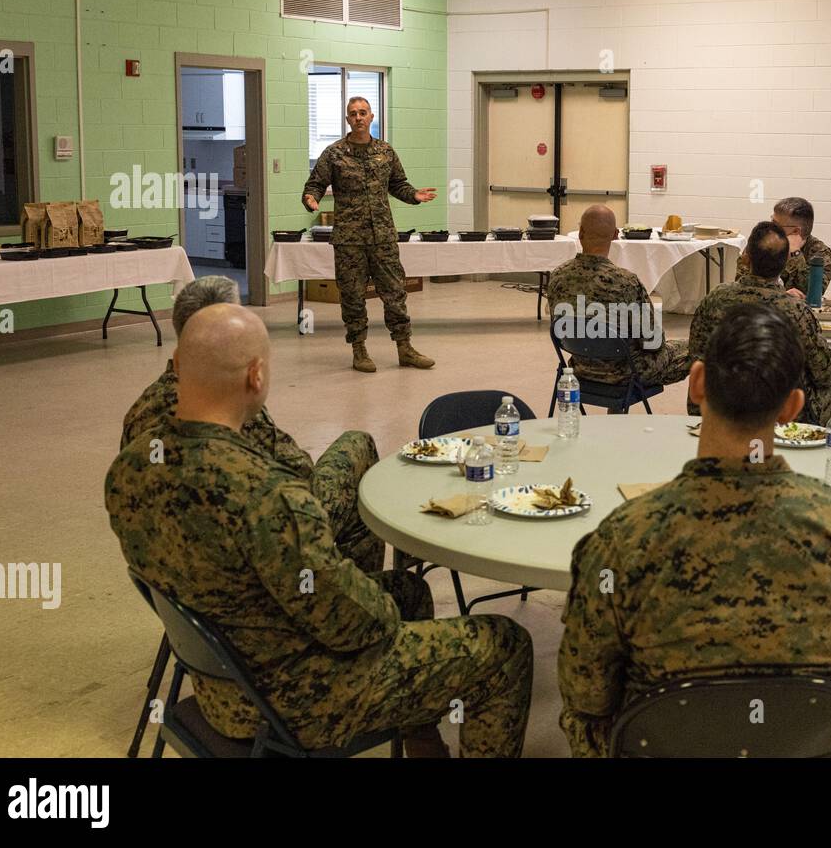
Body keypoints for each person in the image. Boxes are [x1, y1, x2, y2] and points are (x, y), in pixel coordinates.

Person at [106, 304, 533, 756]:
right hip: (294, 698)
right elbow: (356, 623)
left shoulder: (128, 470)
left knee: (410, 591)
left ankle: (418, 732)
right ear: (257, 377)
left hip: (220, 682)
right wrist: (377, 608)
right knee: (505, 647)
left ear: (176, 367)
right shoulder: (270, 495)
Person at [558, 303, 831, 756]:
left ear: (697, 383)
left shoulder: (623, 539)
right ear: (793, 409)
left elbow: (586, 693)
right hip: (805, 743)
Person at [121, 276, 383, 573]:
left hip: (176, 560)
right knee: (357, 445)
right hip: (258, 537)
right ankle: (361, 583)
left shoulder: (141, 410)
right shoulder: (230, 401)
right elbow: (296, 475)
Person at [303, 95, 436, 373]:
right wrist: (310, 198)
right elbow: (315, 183)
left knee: (395, 292)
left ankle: (405, 348)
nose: (359, 117)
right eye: (353, 114)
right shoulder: (335, 153)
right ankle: (359, 349)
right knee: (352, 295)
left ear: (372, 117)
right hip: (350, 240)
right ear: (348, 119)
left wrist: (413, 195)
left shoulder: (385, 152)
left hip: (383, 237)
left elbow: (398, 183)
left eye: (363, 112)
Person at [689, 222, 831, 422]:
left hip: (716, 404)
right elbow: (824, 373)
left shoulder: (715, 298)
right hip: (779, 411)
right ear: (786, 261)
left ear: (746, 258)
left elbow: (696, 353)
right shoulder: (796, 311)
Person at [546, 204, 690, 390]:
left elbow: (561, 328)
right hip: (628, 373)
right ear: (615, 235)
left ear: (580, 233)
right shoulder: (626, 282)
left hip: (578, 369)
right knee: (698, 345)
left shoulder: (558, 277)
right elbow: (652, 341)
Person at [735, 196, 831, 298]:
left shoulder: (819, 253)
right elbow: (742, 283)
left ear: (795, 232)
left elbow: (815, 294)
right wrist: (781, 296)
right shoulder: (763, 243)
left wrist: (796, 255)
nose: (771, 228)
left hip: (799, 312)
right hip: (760, 309)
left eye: (776, 224)